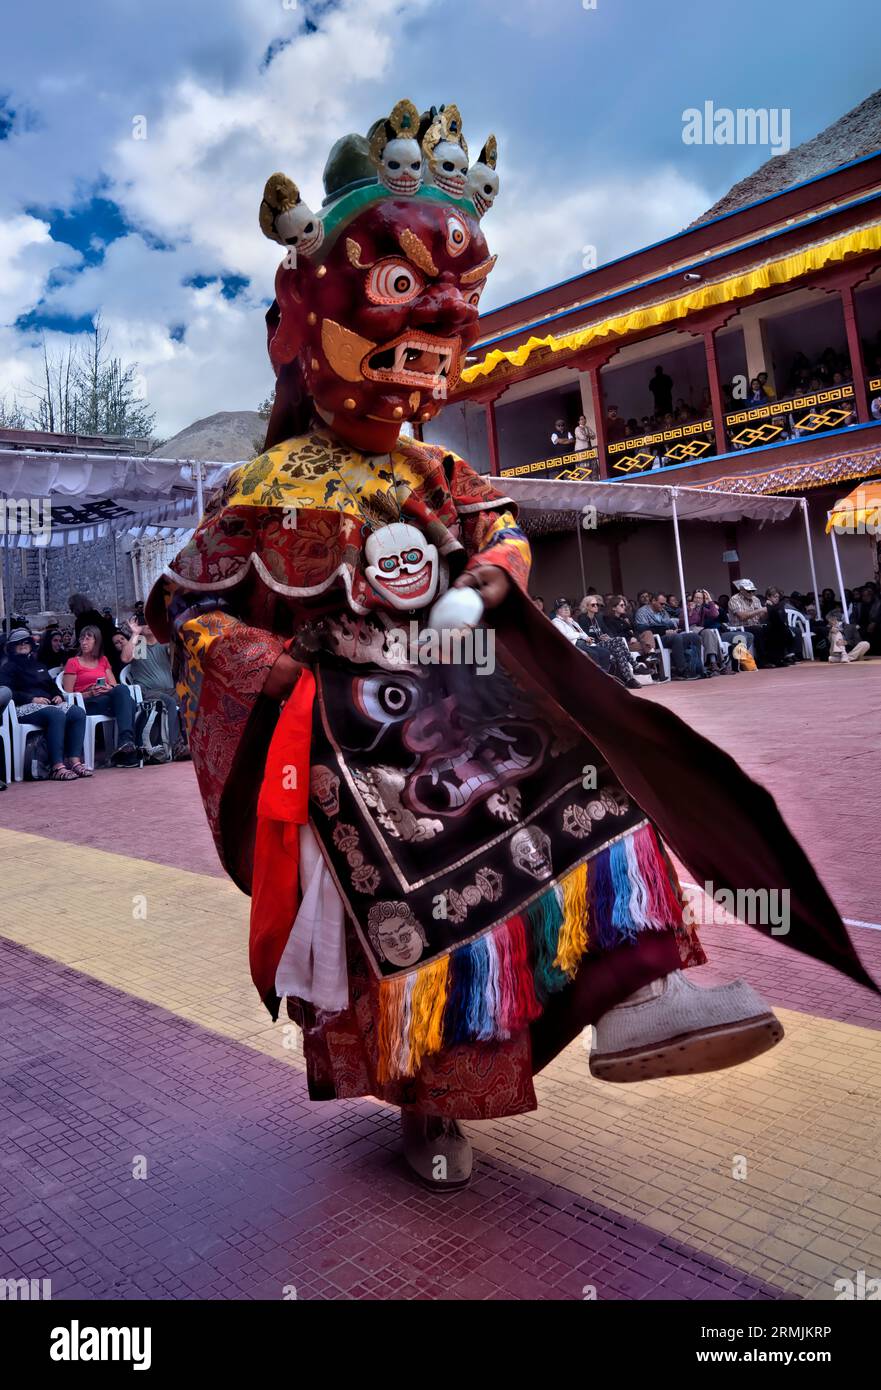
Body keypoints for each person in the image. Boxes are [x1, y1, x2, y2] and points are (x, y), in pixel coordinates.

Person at [143, 97, 870, 1193]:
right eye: (394, 313)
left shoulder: (439, 475)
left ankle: (639, 991)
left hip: (459, 688)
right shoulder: (261, 489)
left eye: (441, 336)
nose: (417, 367)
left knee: (595, 770)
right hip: (339, 728)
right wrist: (254, 663)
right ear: (305, 321)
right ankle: (430, 1102)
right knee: (408, 905)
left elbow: (502, 535)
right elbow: (179, 606)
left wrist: (480, 587)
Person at [0, 626, 90, 780]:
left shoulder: (39, 665)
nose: (23, 645)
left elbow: (52, 686)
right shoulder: (8, 667)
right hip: (22, 707)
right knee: (56, 714)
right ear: (12, 647)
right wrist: (31, 699)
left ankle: (74, 761)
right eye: (18, 643)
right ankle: (57, 766)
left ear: (31, 645)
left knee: (77, 713)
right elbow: (7, 692)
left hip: (48, 705)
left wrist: (58, 696)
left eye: (26, 642)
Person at [62, 626, 140, 767]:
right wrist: (89, 693)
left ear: (96, 641)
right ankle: (127, 743)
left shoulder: (103, 660)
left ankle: (126, 744)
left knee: (122, 690)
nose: (84, 642)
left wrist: (107, 688)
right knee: (130, 703)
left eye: (88, 638)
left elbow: (114, 686)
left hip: (106, 699)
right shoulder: (73, 662)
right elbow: (67, 695)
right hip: (86, 703)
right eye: (82, 638)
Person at [115, 615, 189, 760]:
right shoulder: (141, 644)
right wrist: (136, 633)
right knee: (169, 701)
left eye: (151, 622)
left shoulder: (164, 643)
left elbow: (181, 654)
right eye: (145, 622)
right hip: (147, 691)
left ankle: (193, 743)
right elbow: (125, 658)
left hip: (170, 690)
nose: (149, 625)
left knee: (190, 698)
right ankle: (176, 747)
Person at [633, 593, 703, 678]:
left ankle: (697, 668)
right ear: (653, 601)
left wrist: (675, 630)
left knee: (693, 636)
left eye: (665, 604)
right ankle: (681, 670)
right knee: (676, 637)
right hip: (653, 640)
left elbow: (671, 624)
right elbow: (643, 629)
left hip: (668, 637)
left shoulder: (663, 611)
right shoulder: (642, 612)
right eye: (661, 604)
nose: (663, 606)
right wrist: (664, 631)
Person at [578, 595, 640, 688]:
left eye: (597, 605)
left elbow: (607, 631)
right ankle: (635, 667)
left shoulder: (598, 618)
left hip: (603, 643)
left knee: (618, 649)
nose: (596, 607)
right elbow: (585, 636)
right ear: (586, 606)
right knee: (618, 640)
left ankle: (629, 679)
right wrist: (600, 638)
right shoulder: (583, 619)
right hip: (593, 645)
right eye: (593, 605)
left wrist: (607, 636)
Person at [68, 594, 122, 675]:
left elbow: (82, 643)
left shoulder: (80, 622)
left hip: (96, 659)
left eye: (72, 608)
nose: (72, 612)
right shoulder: (98, 616)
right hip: (111, 655)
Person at [687, 590, 725, 673]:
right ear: (692, 598)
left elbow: (715, 614)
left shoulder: (703, 609)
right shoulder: (685, 607)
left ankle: (714, 663)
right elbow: (689, 622)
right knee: (708, 632)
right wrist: (691, 611)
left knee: (711, 634)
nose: (698, 600)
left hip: (701, 631)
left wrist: (710, 600)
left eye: (700, 598)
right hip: (689, 631)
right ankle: (718, 663)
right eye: (696, 597)